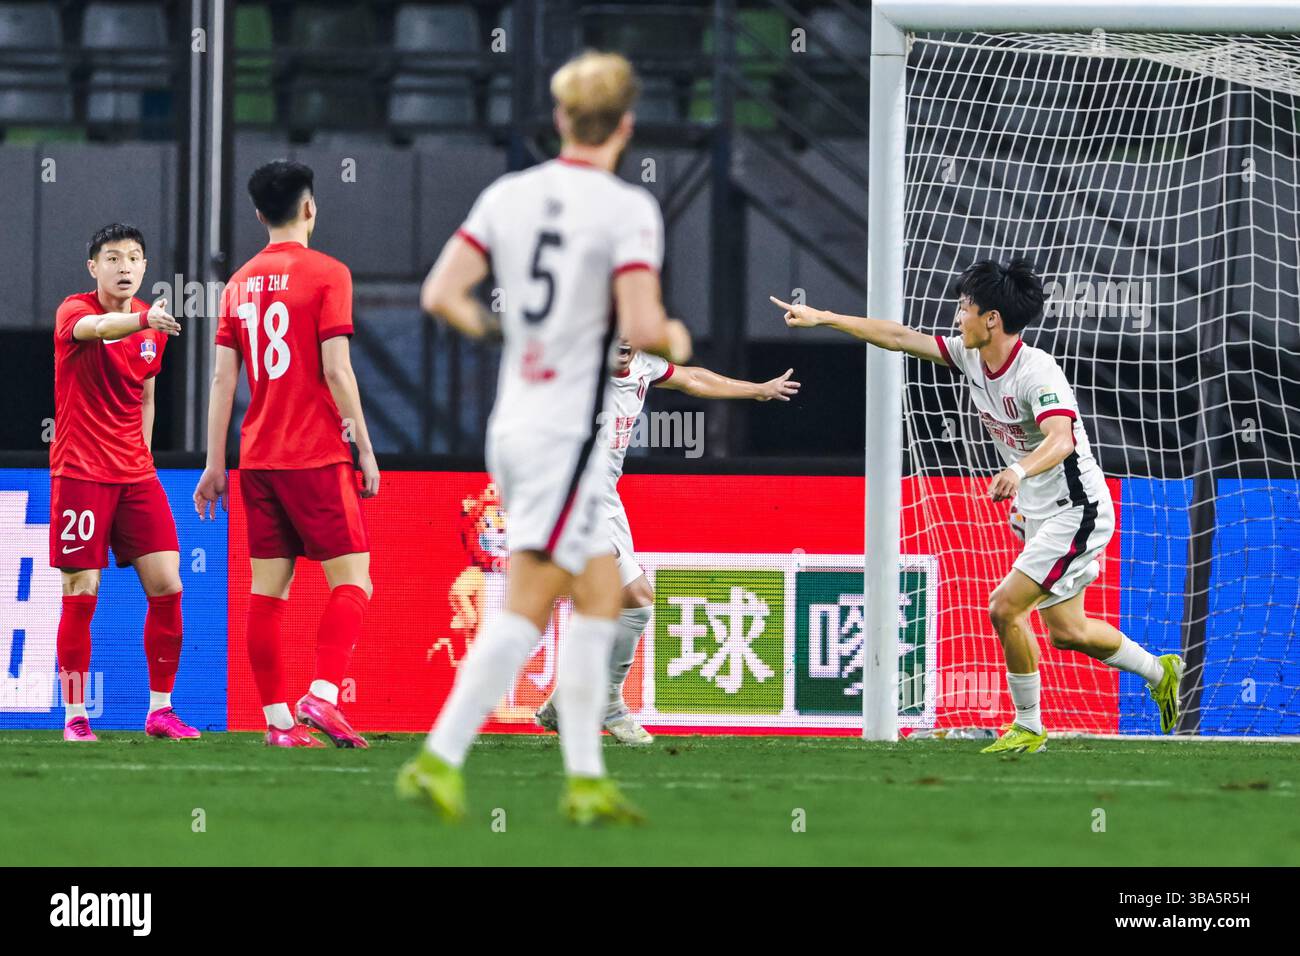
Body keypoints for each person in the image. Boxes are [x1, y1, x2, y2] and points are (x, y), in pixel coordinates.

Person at [401, 51, 691, 823]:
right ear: (626, 126)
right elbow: (638, 326)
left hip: (516, 420)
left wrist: (509, 335)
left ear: (561, 119)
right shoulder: (629, 210)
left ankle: (579, 776)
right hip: (567, 434)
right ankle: (445, 758)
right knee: (549, 601)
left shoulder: (508, 193)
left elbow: (440, 294)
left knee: (601, 594)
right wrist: (674, 334)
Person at [772, 258, 1183, 753]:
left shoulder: (1037, 371)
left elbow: (1063, 439)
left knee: (1003, 607)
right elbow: (900, 337)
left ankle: (1028, 725)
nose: (957, 314)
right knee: (1067, 632)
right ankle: (1160, 670)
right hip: (1039, 511)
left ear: (991, 318)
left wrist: (1017, 471)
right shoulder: (970, 356)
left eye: (965, 306)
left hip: (1078, 509)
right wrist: (826, 318)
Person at [195, 161, 379, 749]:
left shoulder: (238, 283)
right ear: (309, 208)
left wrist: (215, 465)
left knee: (266, 593)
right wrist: (364, 449)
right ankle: (322, 697)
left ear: (257, 214)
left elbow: (224, 383)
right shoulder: (330, 274)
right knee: (355, 582)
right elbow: (336, 370)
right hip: (317, 454)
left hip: (258, 459)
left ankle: (278, 724)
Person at [535, 339, 800, 745]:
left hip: (606, 498)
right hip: (569, 497)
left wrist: (757, 390)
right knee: (636, 598)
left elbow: (694, 378)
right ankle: (606, 704)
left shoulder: (643, 366)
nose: (624, 337)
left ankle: (566, 700)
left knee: (615, 606)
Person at [50, 223, 198, 742]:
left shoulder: (153, 326)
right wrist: (138, 321)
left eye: (134, 258)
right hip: (81, 472)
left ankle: (160, 711)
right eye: (112, 258)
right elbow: (98, 330)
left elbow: (146, 397)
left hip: (135, 473)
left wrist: (145, 458)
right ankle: (74, 716)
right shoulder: (76, 311)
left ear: (144, 266)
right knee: (81, 591)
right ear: (94, 268)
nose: (125, 267)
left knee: (169, 587)